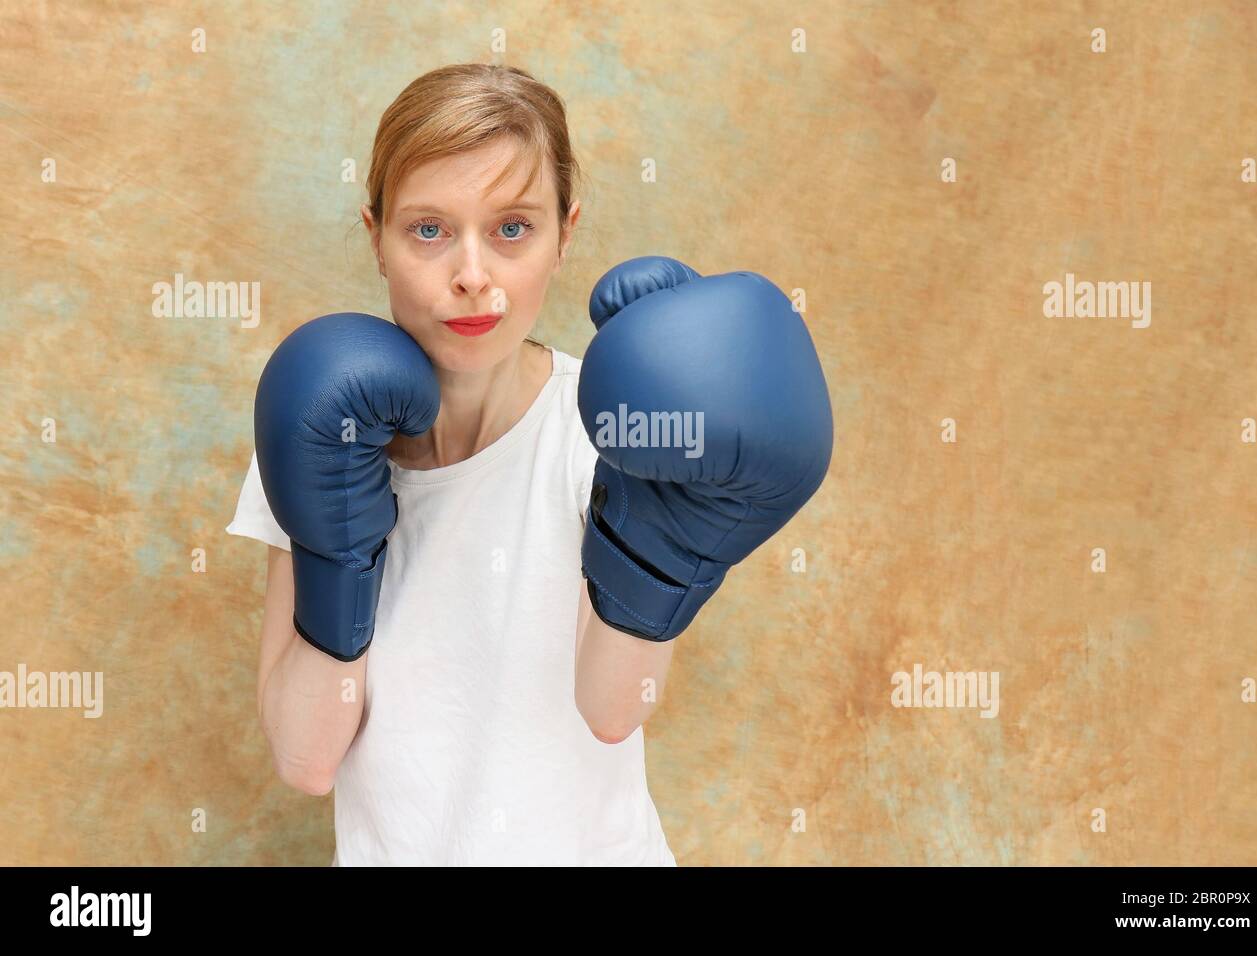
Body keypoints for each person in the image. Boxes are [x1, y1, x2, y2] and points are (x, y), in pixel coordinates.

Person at [227, 64, 832, 866]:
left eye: (512, 228)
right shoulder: (319, 425)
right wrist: (337, 558)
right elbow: (306, 760)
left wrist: (670, 553)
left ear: (565, 233)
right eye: (429, 229)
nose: (472, 274)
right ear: (374, 236)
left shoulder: (614, 426)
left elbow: (613, 711)